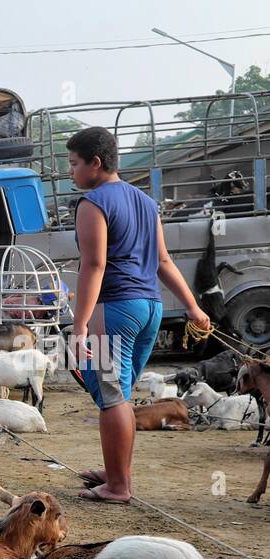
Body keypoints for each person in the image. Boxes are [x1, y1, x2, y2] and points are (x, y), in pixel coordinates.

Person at [67, 126, 209, 503]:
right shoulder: (146, 202)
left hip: (113, 309)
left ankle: (117, 486)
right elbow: (163, 260)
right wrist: (193, 306)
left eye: (74, 163)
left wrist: (79, 326)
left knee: (112, 398)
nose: (71, 172)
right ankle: (116, 474)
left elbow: (93, 266)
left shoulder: (93, 204)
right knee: (121, 394)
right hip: (150, 308)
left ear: (95, 163)